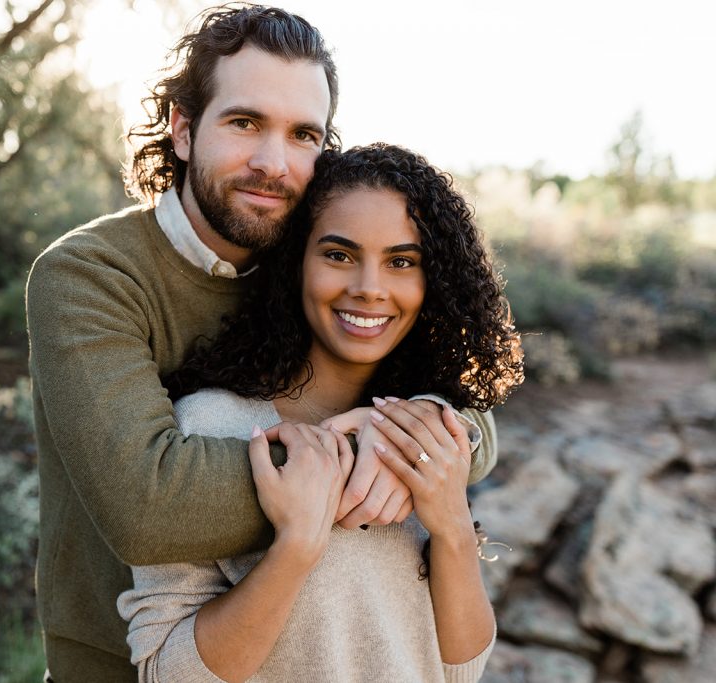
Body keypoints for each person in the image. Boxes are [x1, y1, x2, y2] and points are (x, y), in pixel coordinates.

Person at [25, 6, 497, 680]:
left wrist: (428, 444)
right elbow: (148, 507)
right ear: (183, 130)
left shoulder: (307, 259)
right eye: (244, 123)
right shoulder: (90, 275)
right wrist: (365, 447)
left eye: (302, 134)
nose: (273, 163)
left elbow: (463, 402)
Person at [118, 143, 524, 682]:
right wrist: (296, 547)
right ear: (295, 262)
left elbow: (459, 670)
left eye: (402, 262)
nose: (369, 289)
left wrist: (451, 526)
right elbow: (167, 674)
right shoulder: (210, 428)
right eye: (339, 254)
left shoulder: (423, 433)